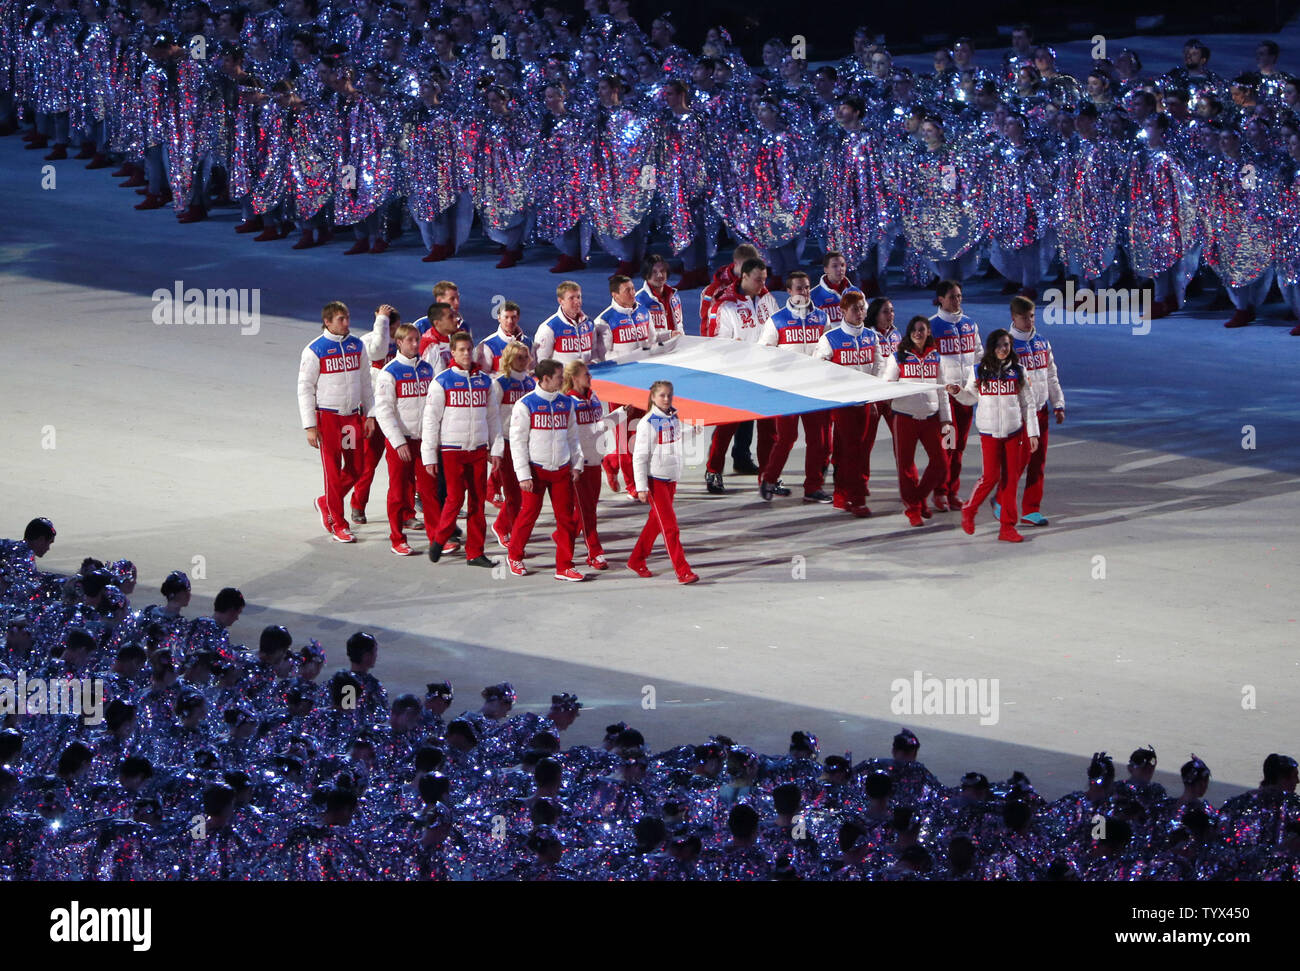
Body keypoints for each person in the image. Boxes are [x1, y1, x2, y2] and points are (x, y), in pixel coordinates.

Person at [297, 301, 378, 544]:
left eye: (348, 317)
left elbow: (366, 382)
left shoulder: (357, 346)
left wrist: (370, 415)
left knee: (356, 467)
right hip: (328, 418)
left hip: (351, 418)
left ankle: (325, 502)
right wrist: (310, 425)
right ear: (328, 322)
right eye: (341, 319)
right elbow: (304, 388)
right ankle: (337, 523)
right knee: (332, 472)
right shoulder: (314, 350)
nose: (347, 323)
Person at [421, 332, 499, 567]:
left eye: (469, 349)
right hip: (451, 449)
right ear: (452, 353)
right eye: (461, 350)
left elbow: (493, 418)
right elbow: (431, 420)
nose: (466, 353)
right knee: (454, 498)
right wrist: (429, 455)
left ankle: (475, 552)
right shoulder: (442, 381)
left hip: (477, 450)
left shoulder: (485, 381)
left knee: (477, 502)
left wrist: (496, 449)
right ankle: (439, 537)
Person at [504, 359, 585, 581]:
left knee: (566, 519)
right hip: (535, 471)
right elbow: (518, 442)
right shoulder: (525, 405)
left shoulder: (565, 403)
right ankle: (515, 555)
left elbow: (572, 436)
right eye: (559, 376)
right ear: (546, 379)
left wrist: (576, 463)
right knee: (529, 514)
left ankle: (565, 566)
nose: (563, 380)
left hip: (562, 470)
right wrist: (523, 474)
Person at [755, 270, 831, 502]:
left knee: (817, 440)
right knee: (786, 438)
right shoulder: (776, 320)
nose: (804, 292)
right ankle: (769, 478)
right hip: (787, 391)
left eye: (807, 287)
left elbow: (829, 352)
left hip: (814, 390)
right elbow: (762, 355)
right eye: (799, 288)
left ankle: (813, 488)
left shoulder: (822, 318)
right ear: (789, 291)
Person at [704, 258, 779, 493]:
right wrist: (731, 350)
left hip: (766, 374)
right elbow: (715, 342)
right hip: (737, 376)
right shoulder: (724, 305)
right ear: (744, 276)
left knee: (769, 429)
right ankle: (714, 470)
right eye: (758, 279)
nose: (762, 284)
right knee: (728, 427)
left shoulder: (768, 298)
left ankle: (768, 476)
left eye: (764, 279)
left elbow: (779, 328)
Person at [959, 329, 1040, 543]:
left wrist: (1033, 432)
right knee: (991, 477)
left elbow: (1028, 404)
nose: (1003, 349)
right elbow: (969, 398)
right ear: (991, 348)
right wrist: (956, 392)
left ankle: (1007, 527)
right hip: (989, 432)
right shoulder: (978, 371)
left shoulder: (1019, 371)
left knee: (1010, 480)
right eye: (999, 345)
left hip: (1014, 432)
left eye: (1006, 345)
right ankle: (970, 509)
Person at [372, 321, 437, 556]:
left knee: (429, 491)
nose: (415, 343)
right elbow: (384, 411)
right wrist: (398, 441)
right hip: (400, 441)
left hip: (424, 440)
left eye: (417, 339)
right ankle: (397, 537)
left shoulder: (427, 369)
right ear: (399, 343)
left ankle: (435, 538)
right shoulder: (389, 373)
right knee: (399, 492)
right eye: (409, 340)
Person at [813, 291, 880, 518]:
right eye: (855, 309)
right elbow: (817, 371)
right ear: (843, 311)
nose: (860, 313)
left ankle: (841, 496)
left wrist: (875, 397)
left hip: (867, 403)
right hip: (842, 404)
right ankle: (857, 499)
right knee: (854, 451)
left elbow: (878, 369)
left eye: (862, 308)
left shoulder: (872, 336)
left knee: (846, 452)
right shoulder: (829, 338)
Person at [884, 315, 952, 527]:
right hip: (905, 418)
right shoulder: (898, 357)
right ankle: (912, 510)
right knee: (905, 465)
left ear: (929, 332)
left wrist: (946, 420)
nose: (917, 333)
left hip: (931, 418)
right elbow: (887, 385)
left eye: (922, 329)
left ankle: (918, 498)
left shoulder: (937, 358)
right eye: (914, 329)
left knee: (940, 463)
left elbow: (943, 391)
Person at [628, 381, 698, 583]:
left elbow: (672, 438)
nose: (666, 399)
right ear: (652, 397)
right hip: (655, 481)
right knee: (670, 527)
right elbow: (639, 457)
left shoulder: (672, 417)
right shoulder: (647, 423)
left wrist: (691, 432)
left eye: (669, 395)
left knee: (655, 523)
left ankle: (636, 559)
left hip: (670, 478)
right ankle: (682, 570)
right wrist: (641, 487)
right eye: (662, 396)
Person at [1006, 297, 1065, 526]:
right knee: (1018, 462)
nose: (1029, 321)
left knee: (1038, 462)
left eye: (1031, 316)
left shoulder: (1042, 342)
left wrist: (1058, 403)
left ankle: (1031, 509)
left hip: (1041, 412)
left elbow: (1051, 375)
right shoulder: (1007, 346)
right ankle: (1002, 499)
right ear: (1014, 317)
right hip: (1020, 416)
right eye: (1024, 317)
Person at [563, 361, 627, 571]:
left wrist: (622, 413)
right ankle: (595, 553)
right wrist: (617, 417)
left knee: (585, 511)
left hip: (595, 461)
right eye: (585, 375)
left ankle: (564, 539)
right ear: (574, 378)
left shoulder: (594, 396)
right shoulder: (569, 402)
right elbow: (588, 432)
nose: (590, 377)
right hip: (579, 466)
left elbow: (598, 425)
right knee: (587, 512)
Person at [928, 281, 980, 511]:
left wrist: (975, 385)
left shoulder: (970, 324)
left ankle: (952, 492)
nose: (956, 300)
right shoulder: (931, 327)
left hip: (966, 396)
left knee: (958, 448)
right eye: (951, 296)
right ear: (940, 299)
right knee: (946, 447)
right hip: (945, 399)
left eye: (959, 296)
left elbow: (978, 357)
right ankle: (939, 492)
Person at [487, 343, 535, 553]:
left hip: (527, 443)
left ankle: (512, 527)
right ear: (508, 359)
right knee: (513, 493)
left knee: (523, 493)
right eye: (519, 358)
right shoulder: (499, 384)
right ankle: (502, 526)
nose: (523, 361)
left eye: (526, 357)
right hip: (507, 443)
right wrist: (494, 446)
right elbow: (491, 416)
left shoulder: (530, 382)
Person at [534, 281, 596, 364]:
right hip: (562, 376)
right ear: (560, 301)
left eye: (578, 297)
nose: (577, 301)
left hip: (589, 375)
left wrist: (594, 362)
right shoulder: (549, 327)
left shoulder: (589, 323)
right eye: (571, 298)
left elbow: (596, 352)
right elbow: (541, 361)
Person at [474, 300, 534, 374]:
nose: (510, 321)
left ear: (518, 318)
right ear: (499, 318)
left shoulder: (528, 342)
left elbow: (532, 371)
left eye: (513, 317)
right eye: (506, 317)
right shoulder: (487, 345)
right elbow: (482, 377)